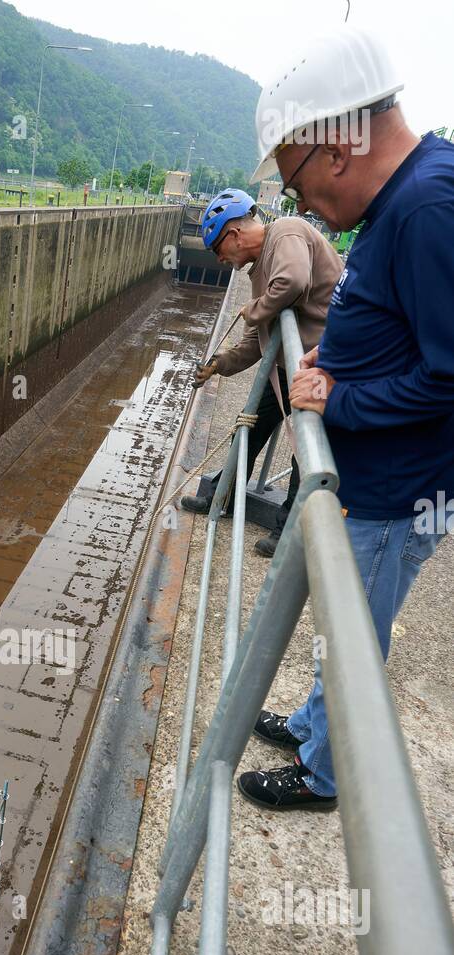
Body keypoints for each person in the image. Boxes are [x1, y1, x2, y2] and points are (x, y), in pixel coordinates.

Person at [237, 27, 454, 811]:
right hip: (373, 483)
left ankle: (325, 775)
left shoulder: (430, 205)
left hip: (398, 494)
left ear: (335, 150)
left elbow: (450, 374)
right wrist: (340, 364)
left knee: (356, 634)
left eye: (294, 179)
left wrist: (340, 399)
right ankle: (308, 726)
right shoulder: (407, 198)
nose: (297, 202)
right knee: (340, 620)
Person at [182, 188, 343, 556]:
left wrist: (254, 309)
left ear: (235, 234)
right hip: (288, 366)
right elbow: (255, 344)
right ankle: (223, 497)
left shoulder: (287, 231)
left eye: (218, 249)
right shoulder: (258, 276)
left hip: (323, 367)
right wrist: (219, 365)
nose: (221, 260)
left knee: (305, 449)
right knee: (249, 430)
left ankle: (287, 531)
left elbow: (293, 281)